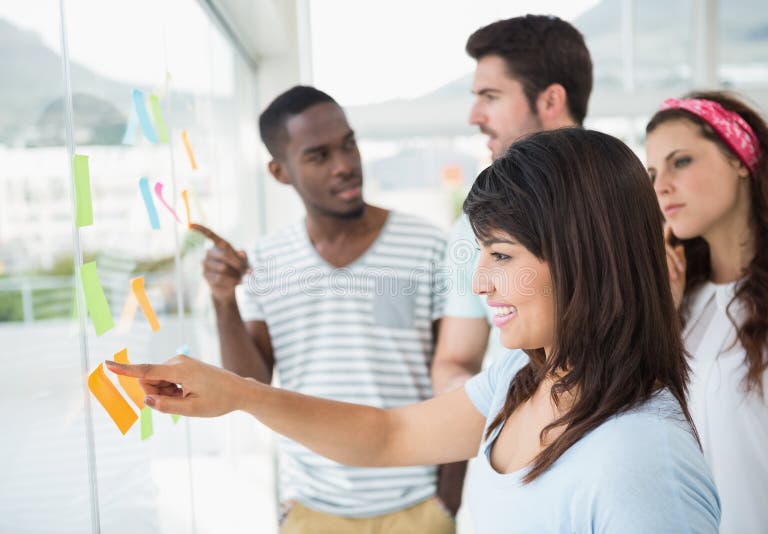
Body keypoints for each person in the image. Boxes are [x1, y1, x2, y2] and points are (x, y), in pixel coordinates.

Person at [109, 129, 721, 533]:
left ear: (585, 258)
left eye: (502, 257)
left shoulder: (642, 459)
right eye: (480, 254)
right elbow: (389, 435)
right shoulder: (524, 374)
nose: (480, 284)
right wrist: (239, 395)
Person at [190, 85, 457, 533]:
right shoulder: (266, 262)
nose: (345, 166)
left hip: (417, 506)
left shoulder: (428, 245)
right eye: (319, 156)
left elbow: (454, 378)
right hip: (312, 510)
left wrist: (448, 502)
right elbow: (251, 386)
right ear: (280, 172)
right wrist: (224, 301)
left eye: (348, 144)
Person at [646, 91, 768, 534]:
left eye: (681, 162)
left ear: (739, 158)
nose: (661, 186)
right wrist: (663, 315)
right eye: (653, 172)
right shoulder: (679, 301)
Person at [433, 14, 593, 395]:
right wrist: (507, 402)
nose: (475, 116)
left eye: (491, 96)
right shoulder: (473, 225)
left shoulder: (639, 209)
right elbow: (453, 363)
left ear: (551, 100)